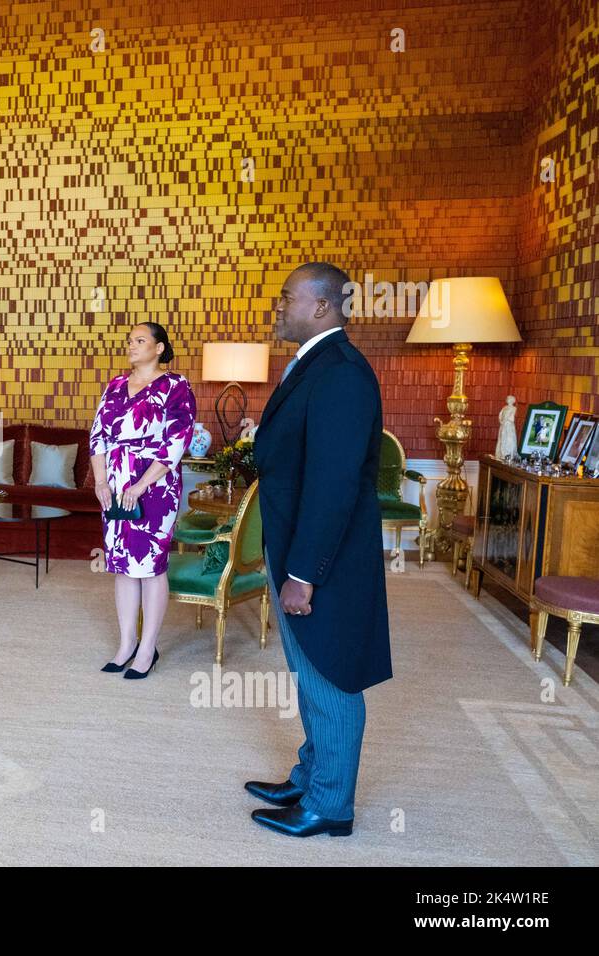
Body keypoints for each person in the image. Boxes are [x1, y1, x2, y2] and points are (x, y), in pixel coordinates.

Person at [246, 262, 392, 837]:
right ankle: (310, 776)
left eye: (286, 299)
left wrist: (303, 574)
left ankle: (330, 806)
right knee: (309, 675)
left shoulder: (342, 374)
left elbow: (333, 485)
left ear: (323, 307)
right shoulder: (313, 364)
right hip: (298, 549)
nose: (277, 308)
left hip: (324, 564)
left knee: (330, 678)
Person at [89, 322, 196, 678]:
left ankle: (147, 649)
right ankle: (125, 645)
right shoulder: (115, 385)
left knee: (149, 566)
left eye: (140, 340)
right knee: (121, 565)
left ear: (160, 348)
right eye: (129, 341)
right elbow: (98, 436)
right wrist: (101, 481)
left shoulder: (176, 386)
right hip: (115, 485)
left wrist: (142, 484)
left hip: (156, 485)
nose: (132, 346)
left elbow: (176, 441)